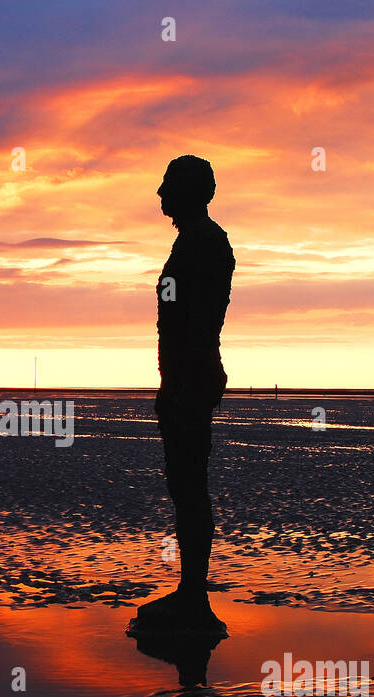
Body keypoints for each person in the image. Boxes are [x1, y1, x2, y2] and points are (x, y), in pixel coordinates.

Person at [138, 155, 234, 626]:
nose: (159, 194)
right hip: (181, 378)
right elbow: (174, 319)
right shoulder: (190, 243)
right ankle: (190, 590)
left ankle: (195, 594)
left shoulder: (204, 243)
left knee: (190, 487)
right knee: (184, 487)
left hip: (190, 380)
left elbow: (197, 324)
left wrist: (180, 387)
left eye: (167, 185)